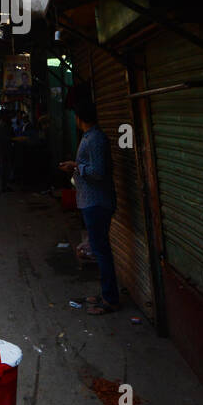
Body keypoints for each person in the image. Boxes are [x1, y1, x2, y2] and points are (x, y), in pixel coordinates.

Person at [59, 97, 120, 316]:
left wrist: (76, 166)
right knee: (99, 250)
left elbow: (97, 172)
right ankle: (106, 293)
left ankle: (111, 300)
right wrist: (75, 167)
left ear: (79, 117)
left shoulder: (95, 139)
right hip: (90, 201)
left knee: (101, 252)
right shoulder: (90, 137)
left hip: (97, 202)